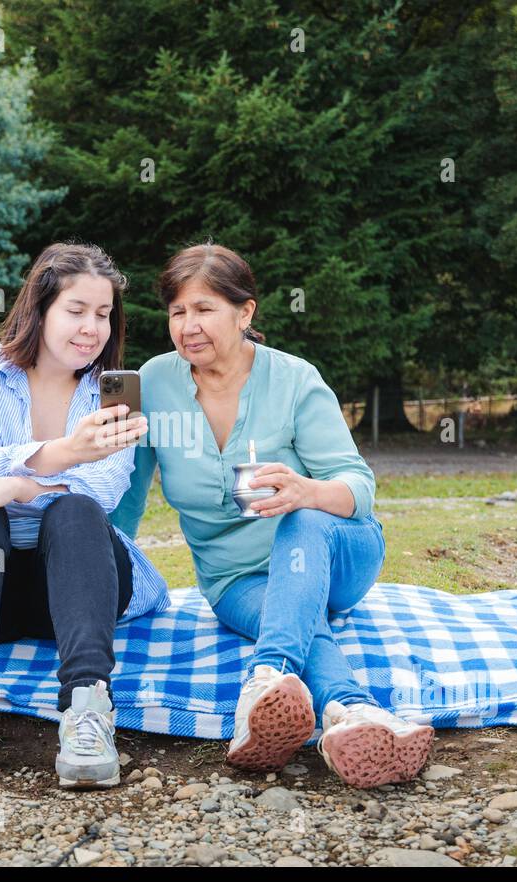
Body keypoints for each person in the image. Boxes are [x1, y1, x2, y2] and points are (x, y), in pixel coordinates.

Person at [111, 243, 433, 788]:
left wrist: (307, 490)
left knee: (301, 520)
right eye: (177, 311)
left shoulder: (294, 379)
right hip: (236, 581)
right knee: (296, 621)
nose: (189, 325)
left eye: (205, 308)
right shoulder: (152, 383)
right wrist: (92, 574)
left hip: (336, 554)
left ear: (246, 312)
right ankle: (351, 713)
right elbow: (128, 499)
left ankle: (266, 679)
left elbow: (360, 488)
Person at [0, 242, 169, 789]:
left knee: (75, 511)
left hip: (75, 590)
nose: (91, 327)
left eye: (103, 314)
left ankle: (88, 708)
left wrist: (18, 484)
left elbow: (103, 488)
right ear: (41, 308)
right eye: (76, 310)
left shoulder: (112, 393)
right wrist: (60, 456)